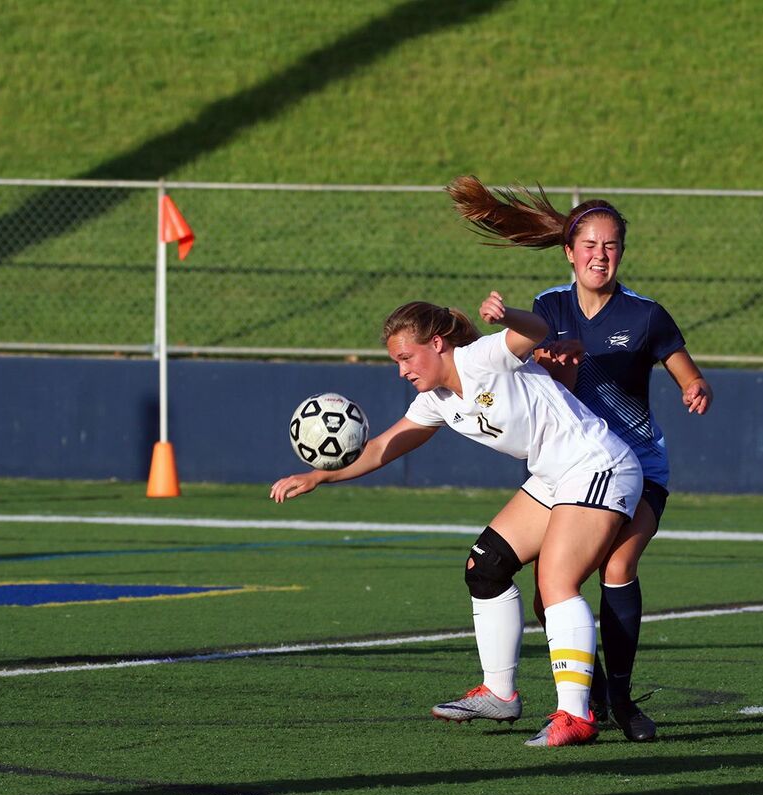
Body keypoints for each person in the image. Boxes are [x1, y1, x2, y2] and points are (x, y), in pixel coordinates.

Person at [271, 296, 644, 747]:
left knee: (556, 581)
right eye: (396, 362)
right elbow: (380, 447)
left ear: (437, 343)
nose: (402, 370)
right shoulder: (435, 399)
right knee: (485, 567)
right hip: (554, 475)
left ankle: (575, 715)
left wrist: (506, 317)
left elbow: (538, 330)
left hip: (598, 464)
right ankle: (499, 693)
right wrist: (318, 476)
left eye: (406, 357)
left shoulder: (480, 357)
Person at [446, 176, 712, 740]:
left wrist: (696, 388)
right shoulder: (549, 306)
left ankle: (620, 699)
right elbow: (535, 375)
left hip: (636, 465)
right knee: (550, 585)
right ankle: (580, 691)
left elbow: (686, 371)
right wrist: (556, 361)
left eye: (611, 245)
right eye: (589, 245)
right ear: (569, 252)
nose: (600, 255)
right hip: (569, 466)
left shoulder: (645, 315)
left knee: (617, 568)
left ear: (622, 252)